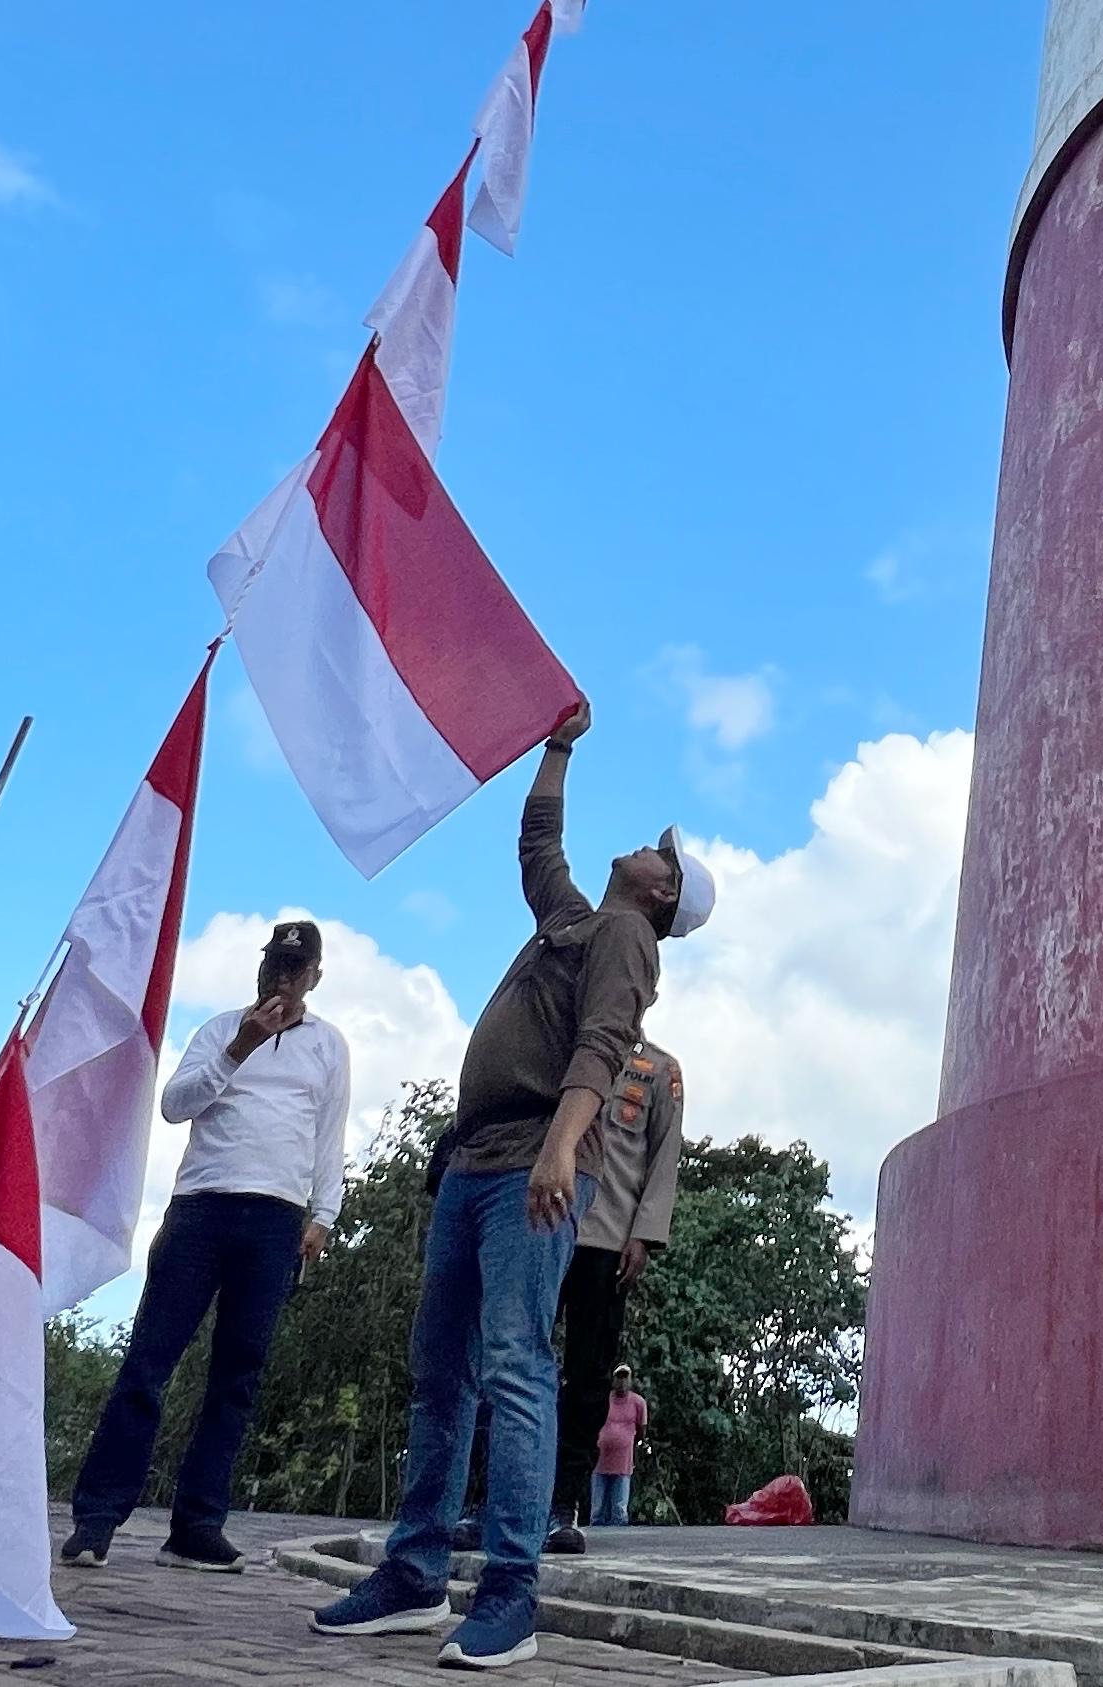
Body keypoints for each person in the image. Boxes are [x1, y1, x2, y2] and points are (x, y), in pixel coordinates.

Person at [312, 704, 715, 1669]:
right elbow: (537, 843)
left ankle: (508, 1594)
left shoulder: (625, 937)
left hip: (530, 1160)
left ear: (661, 895)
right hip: (473, 1159)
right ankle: (411, 1575)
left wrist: (562, 1148)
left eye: (660, 852)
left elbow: (601, 1045)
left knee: (517, 1371)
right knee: (438, 1373)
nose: (647, 846)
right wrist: (558, 746)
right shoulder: (577, 919)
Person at [61, 918, 351, 1573]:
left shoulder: (328, 1045)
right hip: (200, 1207)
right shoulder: (221, 1028)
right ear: (260, 968)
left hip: (276, 1218)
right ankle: (97, 1517)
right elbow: (173, 1104)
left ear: (315, 976)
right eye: (275, 964)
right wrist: (240, 1048)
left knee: (237, 1378)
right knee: (148, 1361)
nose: (283, 977)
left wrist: (324, 1214)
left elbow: (327, 1134)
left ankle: (197, 1524)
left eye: (296, 968)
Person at [549, 1043, 682, 1551]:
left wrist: (643, 1234)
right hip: (546, 1221)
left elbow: (663, 1154)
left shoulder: (659, 1071)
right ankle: (494, 1499)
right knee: (517, 1364)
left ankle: (564, 1507)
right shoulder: (565, 1051)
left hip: (608, 1238)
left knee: (589, 1376)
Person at [587, 1369, 648, 1536]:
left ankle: (618, 1546)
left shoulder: (638, 1402)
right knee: (597, 1509)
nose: (621, 1382)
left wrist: (627, 1441)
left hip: (623, 1461)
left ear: (630, 1380)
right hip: (600, 1460)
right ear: (613, 1380)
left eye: (625, 1378)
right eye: (618, 1378)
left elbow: (642, 1430)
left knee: (619, 1510)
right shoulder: (603, 1400)